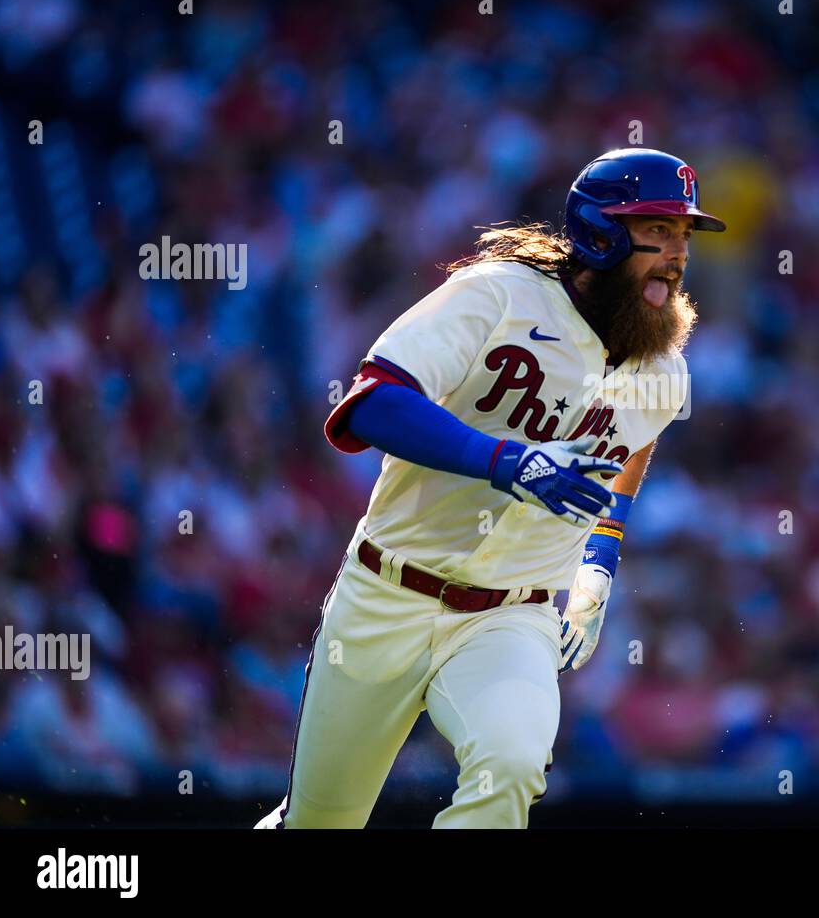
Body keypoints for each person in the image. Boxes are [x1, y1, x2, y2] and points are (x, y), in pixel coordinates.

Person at [255, 148, 725, 828]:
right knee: (321, 823)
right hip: (386, 593)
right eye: (657, 230)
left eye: (684, 234)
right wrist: (510, 462)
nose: (676, 252)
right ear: (601, 232)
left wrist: (601, 559)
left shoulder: (663, 370)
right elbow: (373, 404)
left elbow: (636, 439)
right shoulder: (499, 294)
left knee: (510, 766)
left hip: (512, 616)